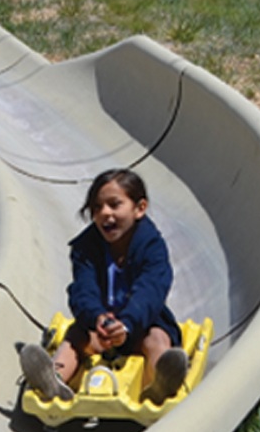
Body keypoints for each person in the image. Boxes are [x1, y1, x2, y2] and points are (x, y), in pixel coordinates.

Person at [20, 168, 189, 404]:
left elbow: (152, 289)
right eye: (97, 207)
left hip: (141, 325)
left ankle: (160, 383)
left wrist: (127, 324)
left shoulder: (152, 247)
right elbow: (83, 290)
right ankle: (53, 380)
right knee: (76, 338)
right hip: (100, 329)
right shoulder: (85, 249)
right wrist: (96, 317)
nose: (104, 213)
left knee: (157, 338)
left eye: (114, 204)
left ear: (139, 208)